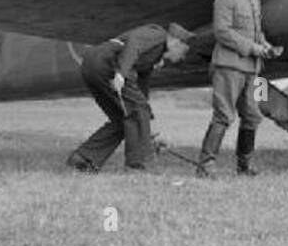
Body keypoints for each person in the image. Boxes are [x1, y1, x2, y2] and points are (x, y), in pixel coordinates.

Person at [195, 0, 282, 177]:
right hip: (228, 66)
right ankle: (206, 166)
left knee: (252, 116)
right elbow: (222, 32)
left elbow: (256, 31)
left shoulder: (255, 1)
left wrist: (265, 44)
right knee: (224, 115)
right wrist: (254, 48)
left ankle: (244, 167)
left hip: (251, 69)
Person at [67, 21, 194, 172]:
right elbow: (133, 43)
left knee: (123, 119)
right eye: (183, 52)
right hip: (107, 65)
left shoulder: (154, 55)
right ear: (176, 42)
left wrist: (145, 122)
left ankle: (83, 158)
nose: (182, 58)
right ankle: (138, 165)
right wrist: (121, 73)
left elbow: (141, 87)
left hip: (93, 65)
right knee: (136, 112)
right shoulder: (158, 34)